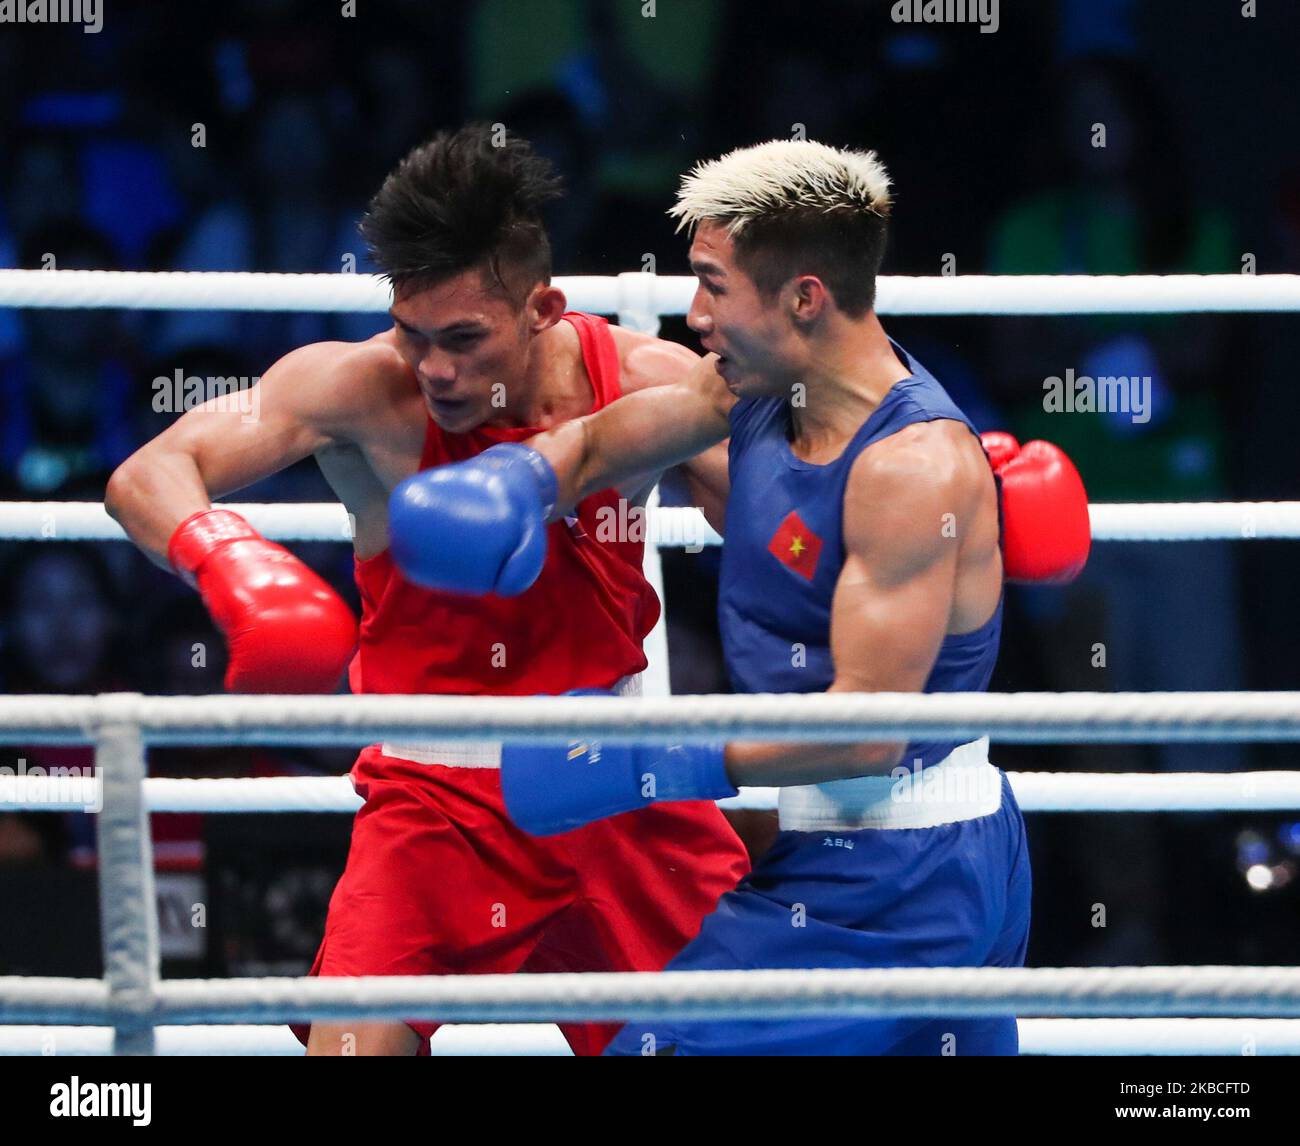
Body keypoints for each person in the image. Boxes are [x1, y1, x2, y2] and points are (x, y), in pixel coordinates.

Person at [387, 139, 1090, 1055]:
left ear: (804, 297)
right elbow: (600, 446)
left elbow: (866, 730)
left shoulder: (908, 469)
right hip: (864, 850)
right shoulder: (755, 391)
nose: (694, 314)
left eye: (714, 285)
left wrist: (643, 759)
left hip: (897, 872)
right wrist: (516, 481)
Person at [105, 125, 749, 1056]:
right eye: (415, 334)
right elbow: (149, 473)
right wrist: (230, 561)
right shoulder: (361, 389)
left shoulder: (644, 386)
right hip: (432, 798)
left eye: (464, 339)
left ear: (543, 308)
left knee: (751, 1041)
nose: (436, 369)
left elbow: (785, 526)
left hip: (609, 780)